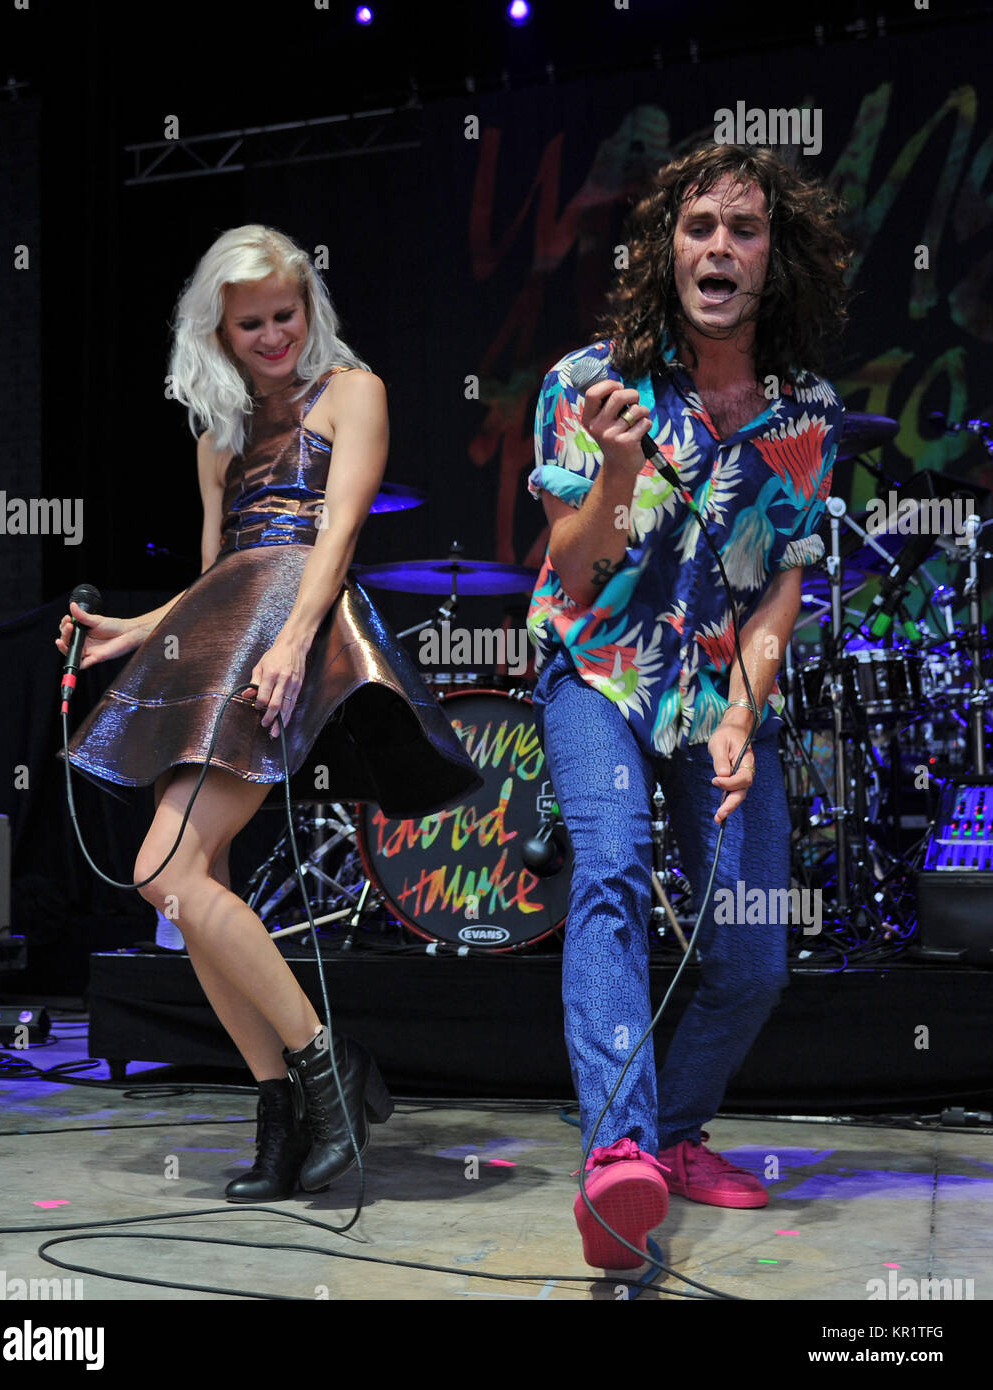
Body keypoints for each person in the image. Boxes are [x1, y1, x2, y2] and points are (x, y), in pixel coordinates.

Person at [56, 225, 482, 1202]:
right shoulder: (220, 432)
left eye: (285, 313)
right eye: (251, 322)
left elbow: (333, 537)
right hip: (226, 630)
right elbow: (215, 578)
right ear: (221, 327)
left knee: (158, 869)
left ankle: (329, 1070)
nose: (272, 333)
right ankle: (282, 1110)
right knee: (187, 883)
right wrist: (124, 633)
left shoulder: (354, 391)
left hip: (294, 628)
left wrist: (292, 642)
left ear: (308, 306)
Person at [526, 146, 850, 1269]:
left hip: (716, 692)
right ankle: (615, 1157)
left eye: (743, 229)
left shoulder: (802, 410)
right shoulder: (586, 385)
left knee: (753, 951)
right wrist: (613, 475)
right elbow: (571, 575)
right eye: (697, 225)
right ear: (665, 249)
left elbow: (778, 585)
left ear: (776, 253)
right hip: (600, 674)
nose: (718, 246)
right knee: (609, 868)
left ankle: (668, 1133)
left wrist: (738, 715)